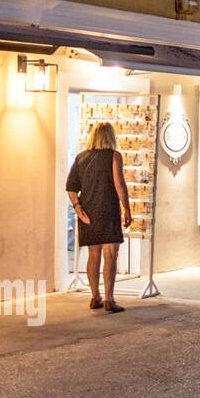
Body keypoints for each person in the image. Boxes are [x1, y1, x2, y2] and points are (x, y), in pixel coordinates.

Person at [65, 121, 131, 312]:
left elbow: (70, 187)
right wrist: (126, 208)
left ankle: (95, 297)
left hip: (88, 212)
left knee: (94, 255)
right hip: (108, 209)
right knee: (110, 255)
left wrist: (77, 207)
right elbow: (120, 184)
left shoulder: (81, 157)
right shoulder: (114, 156)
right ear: (110, 137)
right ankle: (109, 300)